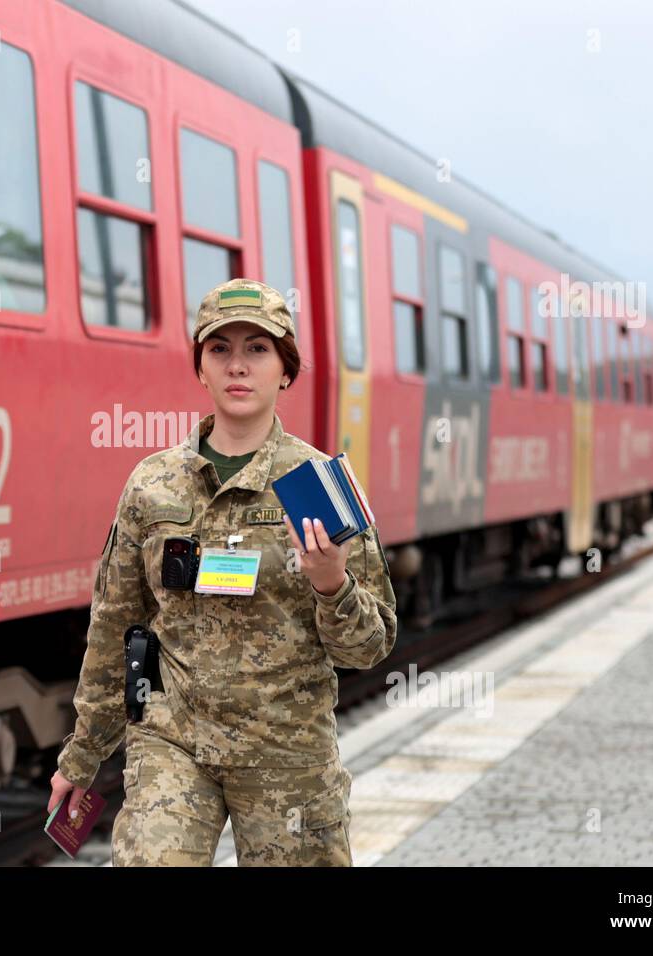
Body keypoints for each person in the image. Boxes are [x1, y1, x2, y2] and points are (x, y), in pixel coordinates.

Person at [47, 278, 399, 866]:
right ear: (201, 369)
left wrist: (332, 583)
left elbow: (370, 647)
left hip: (287, 753)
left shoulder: (318, 486)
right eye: (220, 350)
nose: (238, 365)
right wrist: (81, 760)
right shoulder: (154, 483)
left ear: (285, 371)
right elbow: (114, 628)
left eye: (258, 349)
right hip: (173, 740)